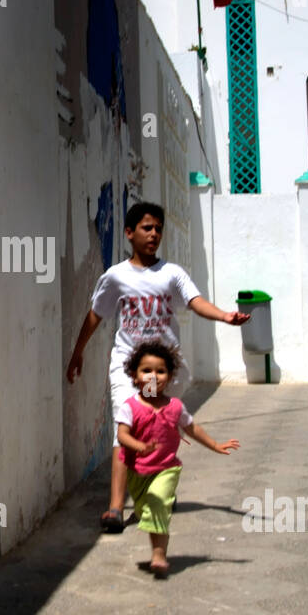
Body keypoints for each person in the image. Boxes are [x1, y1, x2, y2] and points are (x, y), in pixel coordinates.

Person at [65, 201, 248, 532]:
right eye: (147, 228)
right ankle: (116, 509)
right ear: (129, 233)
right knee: (125, 432)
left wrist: (223, 315)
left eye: (158, 229)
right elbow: (95, 314)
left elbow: (195, 302)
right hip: (128, 368)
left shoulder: (172, 274)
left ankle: (158, 486)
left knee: (156, 431)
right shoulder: (116, 277)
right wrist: (78, 352)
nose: (154, 234)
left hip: (162, 372)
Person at [114, 341, 239, 577]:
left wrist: (215, 445)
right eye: (146, 370)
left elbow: (192, 429)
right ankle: (141, 513)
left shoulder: (175, 407)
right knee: (145, 508)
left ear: (170, 377)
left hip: (166, 470)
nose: (154, 376)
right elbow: (122, 435)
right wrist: (139, 446)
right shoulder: (130, 407)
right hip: (137, 472)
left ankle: (159, 555)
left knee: (159, 502)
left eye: (160, 371)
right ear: (134, 376)